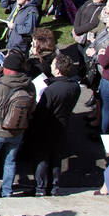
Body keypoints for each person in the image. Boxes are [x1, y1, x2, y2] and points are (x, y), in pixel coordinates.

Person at [0, 50, 35, 197]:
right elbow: (32, 108)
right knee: (10, 162)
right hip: (18, 131)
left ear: (6, 69)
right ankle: (7, 191)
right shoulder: (29, 86)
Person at [28, 54, 80, 196]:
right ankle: (54, 186)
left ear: (57, 70)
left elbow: (41, 112)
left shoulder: (51, 90)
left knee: (42, 158)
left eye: (53, 65)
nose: (51, 66)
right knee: (56, 158)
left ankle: (40, 187)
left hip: (46, 128)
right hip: (62, 127)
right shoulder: (74, 87)